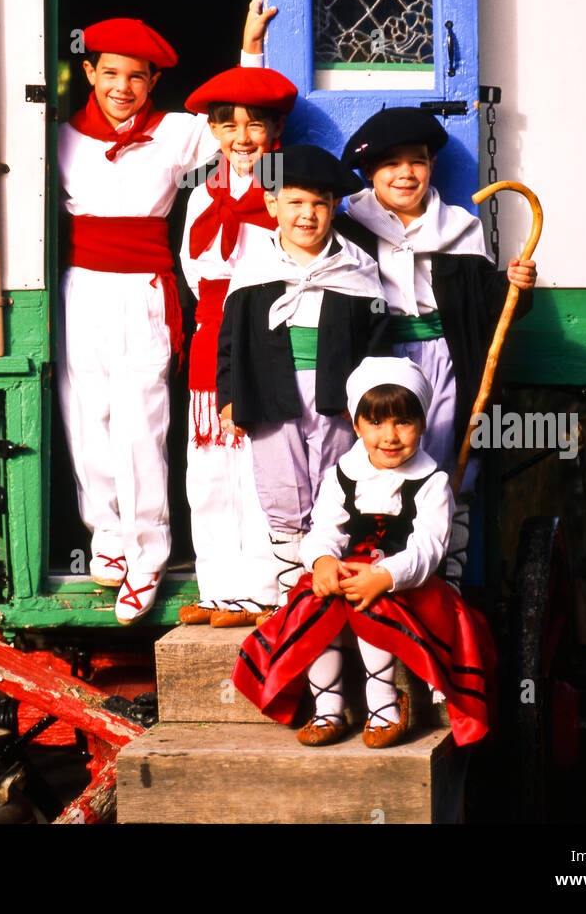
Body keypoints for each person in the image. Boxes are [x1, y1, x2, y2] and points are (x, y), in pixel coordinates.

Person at [56, 1, 273, 624]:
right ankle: (108, 539)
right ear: (90, 74)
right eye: (111, 73)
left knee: (139, 421)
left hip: (144, 292)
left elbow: (241, 121)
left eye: (137, 77)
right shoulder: (61, 139)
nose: (123, 88)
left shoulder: (177, 131)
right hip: (79, 288)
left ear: (153, 83)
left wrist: (249, 44)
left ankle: (148, 556)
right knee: (85, 417)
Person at [232, 357, 496, 748]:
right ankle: (328, 707)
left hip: (409, 585)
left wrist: (386, 576)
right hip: (351, 572)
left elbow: (428, 547)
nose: (389, 436)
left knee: (369, 606)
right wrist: (322, 561)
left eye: (403, 422)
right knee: (313, 603)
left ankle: (385, 704)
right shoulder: (344, 472)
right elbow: (325, 528)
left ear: (422, 424)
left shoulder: (431, 482)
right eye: (375, 423)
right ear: (356, 425)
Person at [336, 108, 536, 587]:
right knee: (377, 457)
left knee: (447, 461)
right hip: (378, 363)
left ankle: (447, 576)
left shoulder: (461, 229)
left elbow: (491, 307)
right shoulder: (350, 227)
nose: (406, 173)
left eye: (418, 161)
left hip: (443, 359)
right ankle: (376, 567)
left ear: (431, 166)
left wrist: (516, 285)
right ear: (369, 172)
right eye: (390, 163)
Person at [216, 144, 392, 603]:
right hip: (272, 394)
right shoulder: (254, 268)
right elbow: (231, 339)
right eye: (294, 202)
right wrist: (229, 396)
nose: (307, 215)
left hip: (337, 394)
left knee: (335, 477)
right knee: (280, 480)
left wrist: (372, 400)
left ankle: (337, 586)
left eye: (319, 203)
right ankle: (291, 593)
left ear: (334, 207)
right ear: (272, 205)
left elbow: (376, 340)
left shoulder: (357, 268)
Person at [178, 66, 298, 628]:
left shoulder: (285, 193)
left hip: (261, 334)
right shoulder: (203, 193)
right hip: (211, 336)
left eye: (255, 125)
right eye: (229, 126)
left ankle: (263, 589)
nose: (242, 138)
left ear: (275, 130)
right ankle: (219, 585)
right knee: (207, 470)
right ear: (215, 132)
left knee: (258, 465)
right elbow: (192, 267)